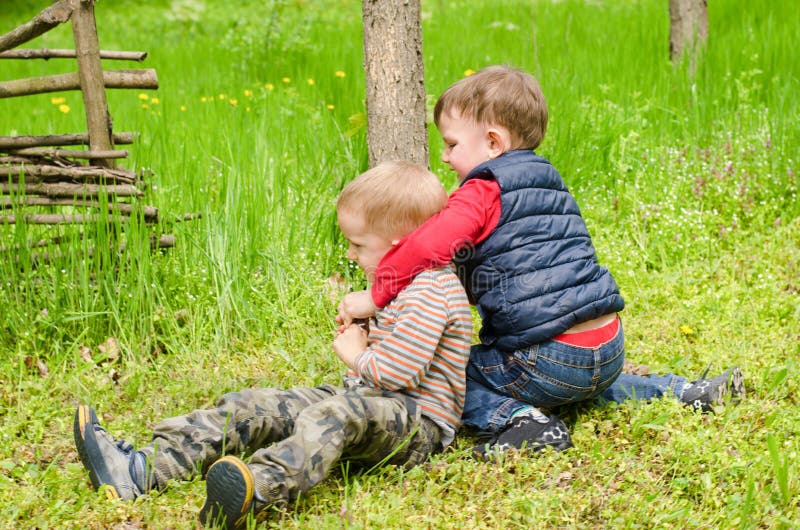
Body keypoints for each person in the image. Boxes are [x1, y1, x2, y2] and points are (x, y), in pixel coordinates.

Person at [337, 65, 745, 459]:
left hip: (547, 361)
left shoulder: (482, 190)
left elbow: (426, 246)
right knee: (583, 382)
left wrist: (377, 294)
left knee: (448, 373)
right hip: (607, 345)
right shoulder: (549, 179)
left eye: (451, 144)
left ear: (493, 143)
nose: (444, 157)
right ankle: (684, 391)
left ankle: (522, 421)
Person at [73, 161, 473, 529]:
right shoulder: (396, 285)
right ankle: (142, 469)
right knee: (255, 405)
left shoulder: (431, 290)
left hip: (418, 427)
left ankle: (258, 491)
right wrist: (367, 323)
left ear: (400, 244)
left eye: (358, 244)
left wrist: (355, 352)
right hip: (367, 398)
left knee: (333, 416)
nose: (351, 254)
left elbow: (398, 373)